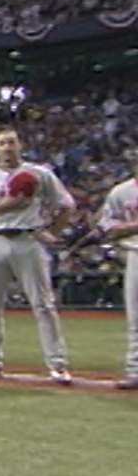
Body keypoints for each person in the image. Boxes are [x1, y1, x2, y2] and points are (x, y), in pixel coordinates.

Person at [0, 127, 74, 384]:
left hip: (28, 237)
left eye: (11, 142)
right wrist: (7, 204)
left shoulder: (38, 173)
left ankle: (57, 364)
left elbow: (66, 204)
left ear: (20, 145)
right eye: (2, 143)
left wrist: (51, 232)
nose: (7, 147)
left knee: (43, 304)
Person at [98, 147, 138, 390]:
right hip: (135, 253)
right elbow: (108, 227)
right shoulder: (121, 192)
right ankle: (135, 370)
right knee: (136, 317)